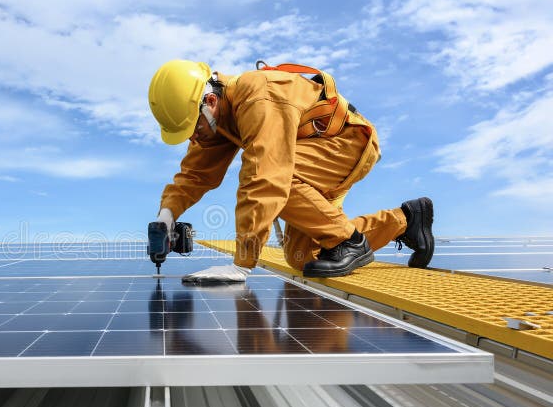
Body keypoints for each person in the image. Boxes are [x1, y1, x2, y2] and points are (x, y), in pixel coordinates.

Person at [148, 59, 434, 282]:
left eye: (192, 128)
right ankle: (406, 220)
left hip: (345, 144)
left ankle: (349, 240)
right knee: (304, 258)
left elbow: (267, 177)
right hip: (312, 154)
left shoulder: (257, 95)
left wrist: (241, 266)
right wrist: (167, 216)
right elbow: (195, 175)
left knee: (277, 175)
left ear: (210, 102)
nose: (192, 138)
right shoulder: (216, 121)